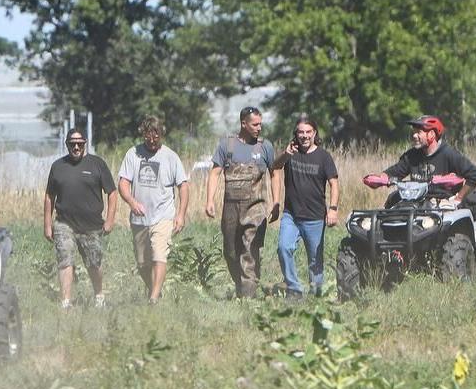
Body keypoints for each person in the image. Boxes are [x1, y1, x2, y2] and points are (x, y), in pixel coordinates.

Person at [205, 106, 281, 298]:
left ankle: (248, 297)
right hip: (231, 209)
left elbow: (275, 174)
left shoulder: (265, 147)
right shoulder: (227, 145)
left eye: (260, 124)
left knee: (250, 251)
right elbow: (214, 173)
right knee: (230, 252)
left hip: (256, 208)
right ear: (243, 124)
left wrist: (276, 202)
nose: (259, 128)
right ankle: (242, 286)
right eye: (255, 124)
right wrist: (209, 200)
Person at [117, 116, 189, 304]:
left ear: (161, 135)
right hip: (139, 219)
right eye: (148, 137)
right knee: (142, 263)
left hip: (163, 216)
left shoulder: (170, 157)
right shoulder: (133, 154)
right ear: (143, 135)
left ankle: (153, 300)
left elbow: (183, 186)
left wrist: (181, 215)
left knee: (159, 255)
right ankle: (154, 289)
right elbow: (123, 183)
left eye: (156, 137)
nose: (152, 141)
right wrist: (132, 202)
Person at [44, 129, 117, 309]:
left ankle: (99, 296)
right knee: (65, 259)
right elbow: (49, 196)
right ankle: (66, 303)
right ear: (67, 144)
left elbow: (112, 193)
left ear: (85, 143)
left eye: (80, 144)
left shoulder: (97, 164)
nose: (76, 147)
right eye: (72, 144)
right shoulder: (58, 167)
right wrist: (47, 224)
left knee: (94, 263)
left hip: (91, 225)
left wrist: (109, 220)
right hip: (64, 223)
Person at [272, 117, 339, 298]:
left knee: (315, 261)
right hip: (291, 215)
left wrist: (333, 209)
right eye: (301, 132)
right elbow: (275, 167)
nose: (304, 136)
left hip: (315, 217)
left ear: (314, 133)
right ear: (296, 134)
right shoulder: (290, 153)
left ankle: (316, 295)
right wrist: (285, 154)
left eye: (308, 132)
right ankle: (294, 289)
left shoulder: (324, 157)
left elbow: (334, 183)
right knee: (283, 248)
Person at [368, 115, 476, 207]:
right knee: (392, 201)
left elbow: (475, 174)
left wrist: (458, 199)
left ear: (431, 134)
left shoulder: (449, 154)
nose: (414, 135)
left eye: (419, 132)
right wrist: (379, 179)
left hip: (442, 205)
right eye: (413, 132)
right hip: (415, 203)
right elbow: (394, 172)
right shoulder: (411, 155)